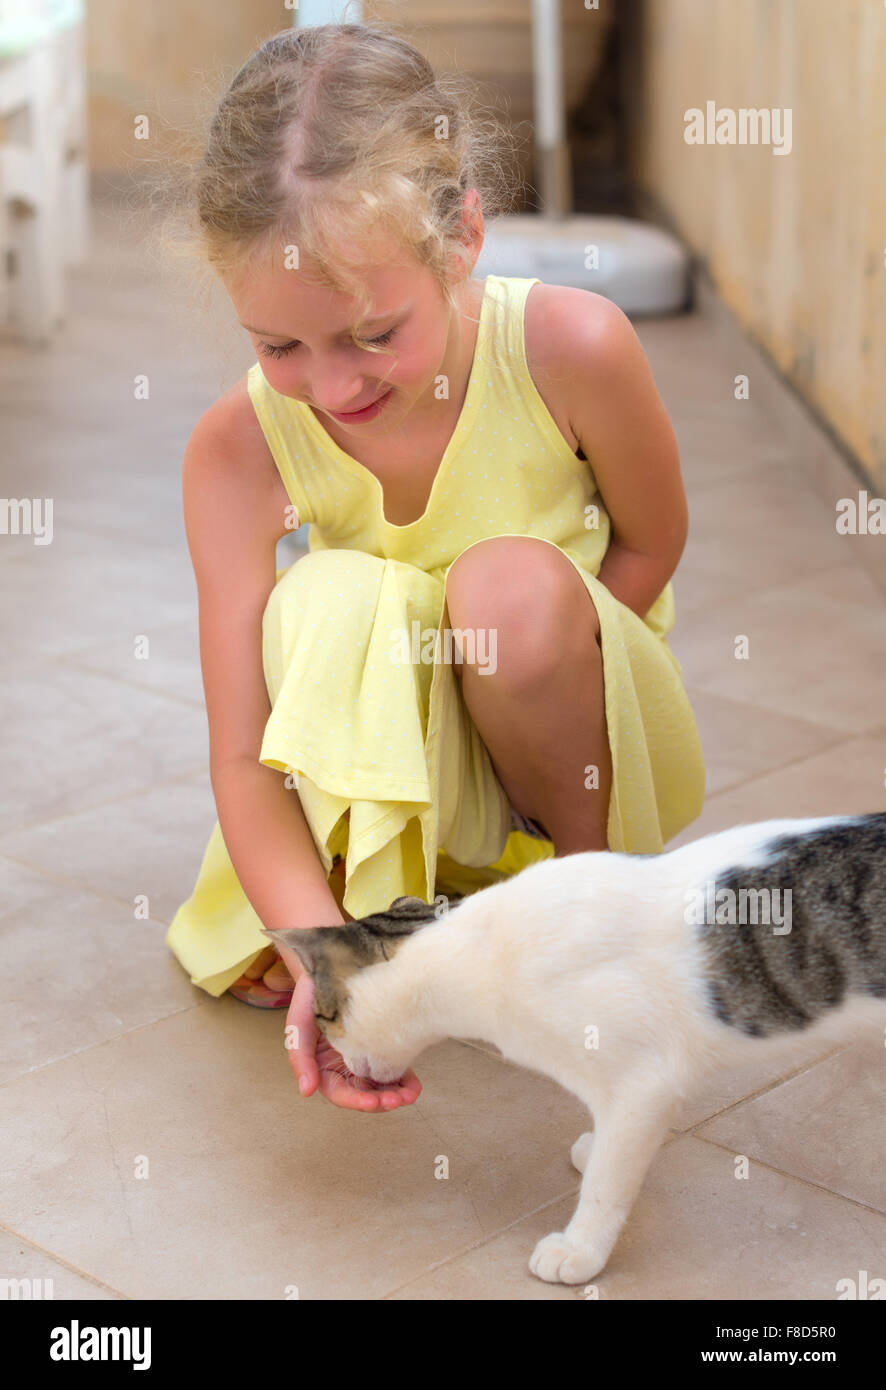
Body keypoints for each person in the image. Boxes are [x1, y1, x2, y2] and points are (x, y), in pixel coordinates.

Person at [164, 22, 705, 1114]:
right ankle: (381, 914)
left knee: (503, 593)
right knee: (332, 594)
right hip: (395, 764)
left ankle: (571, 904)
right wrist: (317, 944)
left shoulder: (572, 349)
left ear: (463, 234)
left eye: (372, 333)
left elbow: (650, 544)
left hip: (560, 733)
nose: (330, 386)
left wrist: (513, 689)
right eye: (281, 345)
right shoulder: (239, 446)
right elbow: (242, 752)